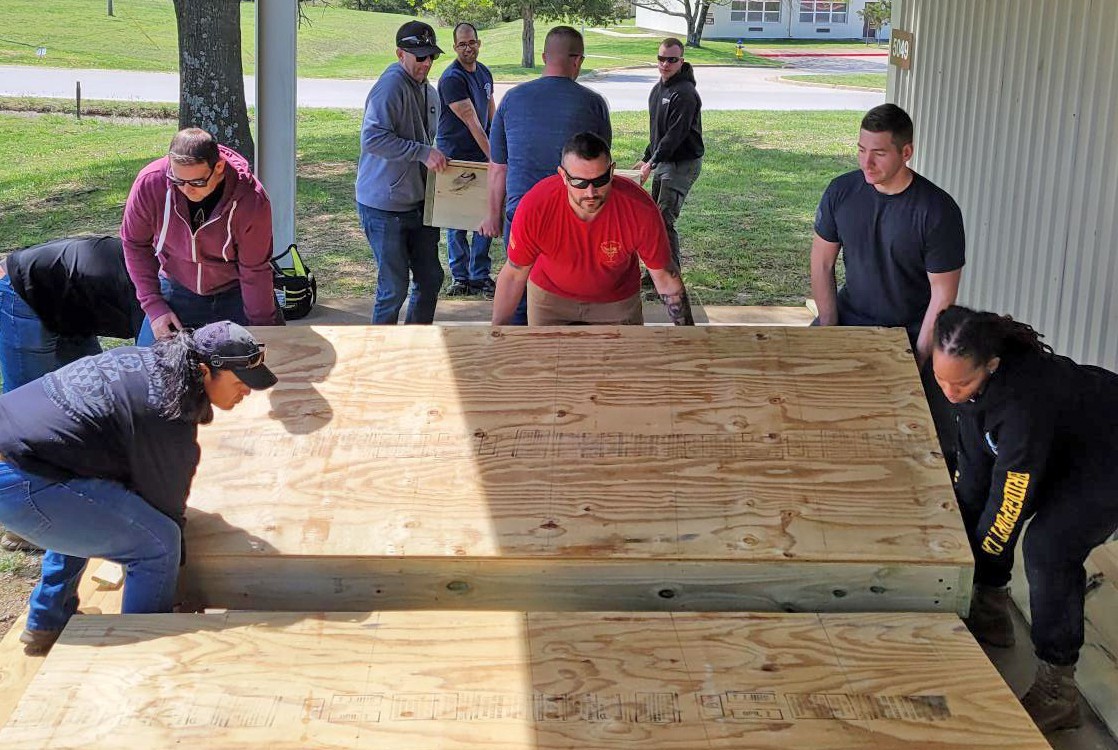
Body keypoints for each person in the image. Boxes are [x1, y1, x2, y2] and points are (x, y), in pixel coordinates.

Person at [0, 321, 277, 654]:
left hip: (25, 451)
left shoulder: (150, 363)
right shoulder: (166, 413)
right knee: (158, 545)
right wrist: (176, 582)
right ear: (205, 371)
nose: (246, 392)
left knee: (96, 506)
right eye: (240, 382)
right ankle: (137, 657)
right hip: (20, 479)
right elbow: (167, 508)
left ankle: (49, 620)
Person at [931, 305, 1118, 732]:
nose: (950, 392)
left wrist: (975, 562)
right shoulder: (970, 388)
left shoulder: (1023, 401)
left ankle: (1058, 689)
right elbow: (973, 480)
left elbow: (1010, 502)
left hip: (1107, 454)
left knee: (1048, 549)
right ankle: (991, 610)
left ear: (991, 365)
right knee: (972, 500)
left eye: (961, 383)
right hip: (1062, 445)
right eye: (941, 379)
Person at [810, 103, 965, 464]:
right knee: (801, 396)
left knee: (935, 443)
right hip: (849, 317)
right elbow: (822, 263)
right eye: (861, 150)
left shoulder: (937, 211)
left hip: (912, 330)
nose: (866, 163)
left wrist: (920, 357)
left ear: (906, 152)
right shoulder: (841, 192)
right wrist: (828, 327)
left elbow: (943, 294)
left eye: (879, 153)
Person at [0, 235, 145, 553]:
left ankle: (79, 499)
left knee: (89, 405)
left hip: (71, 310)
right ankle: (23, 524)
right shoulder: (155, 293)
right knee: (25, 418)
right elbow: (148, 382)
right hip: (24, 294)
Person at [480, 25, 612, 325]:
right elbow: (600, 166)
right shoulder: (593, 103)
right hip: (572, 219)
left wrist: (493, 216)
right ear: (577, 60)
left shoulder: (512, 99)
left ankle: (515, 349)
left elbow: (498, 166)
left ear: (543, 57)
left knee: (518, 292)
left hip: (521, 215)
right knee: (568, 298)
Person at [492, 132, 694, 327]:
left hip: (616, 301)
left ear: (612, 171)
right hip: (550, 299)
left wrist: (687, 335)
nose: (590, 192)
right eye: (579, 182)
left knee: (628, 352)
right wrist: (496, 333)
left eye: (600, 180)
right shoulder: (536, 207)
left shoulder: (639, 209)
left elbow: (665, 277)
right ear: (563, 176)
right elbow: (514, 275)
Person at [122, 128, 284, 345]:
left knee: (268, 356)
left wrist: (262, 329)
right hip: (176, 285)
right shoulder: (150, 183)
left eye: (197, 182)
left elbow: (254, 270)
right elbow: (134, 244)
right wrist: (154, 307)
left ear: (219, 167)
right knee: (148, 361)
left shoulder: (250, 200)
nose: (186, 190)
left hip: (235, 290)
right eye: (178, 181)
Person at [357, 20, 447, 325]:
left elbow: (426, 142)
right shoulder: (390, 87)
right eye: (419, 56)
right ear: (400, 54)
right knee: (393, 289)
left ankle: (415, 340)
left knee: (430, 278)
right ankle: (382, 347)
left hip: (419, 205)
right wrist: (422, 152)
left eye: (431, 56)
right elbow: (372, 139)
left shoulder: (430, 92)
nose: (427, 62)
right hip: (384, 207)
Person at [633, 37, 704, 275]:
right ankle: (655, 274)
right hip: (664, 159)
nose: (665, 64)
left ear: (681, 61)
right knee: (654, 218)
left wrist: (651, 163)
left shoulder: (685, 93)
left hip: (682, 163)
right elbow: (659, 133)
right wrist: (647, 157)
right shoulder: (658, 89)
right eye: (661, 58)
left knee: (664, 219)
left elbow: (675, 136)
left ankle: (670, 277)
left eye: (672, 60)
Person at [436, 22, 497, 299]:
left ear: (478, 43)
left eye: (471, 42)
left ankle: (479, 275)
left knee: (485, 214)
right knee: (458, 219)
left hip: (481, 153)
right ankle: (460, 277)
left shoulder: (484, 72)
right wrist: (495, 158)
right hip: (455, 156)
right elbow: (472, 122)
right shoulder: (452, 78)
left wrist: (499, 144)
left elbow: (491, 112)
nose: (468, 48)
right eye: (462, 44)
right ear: (455, 47)